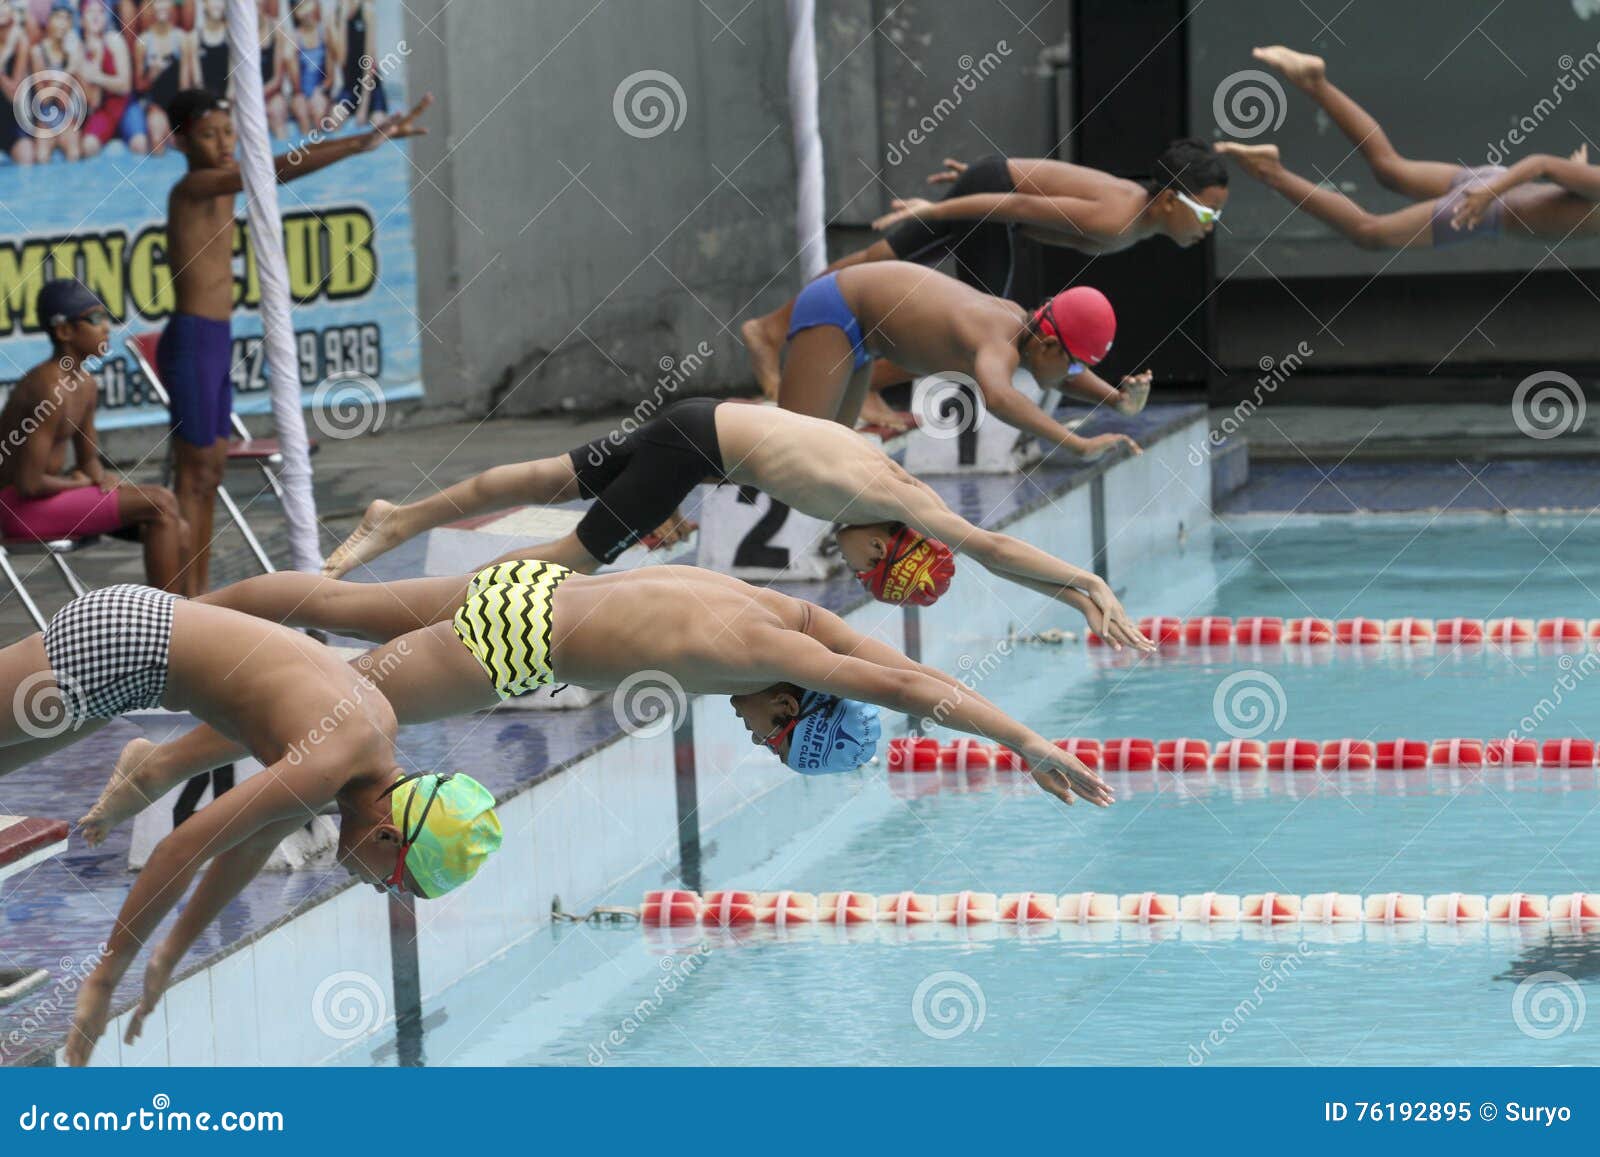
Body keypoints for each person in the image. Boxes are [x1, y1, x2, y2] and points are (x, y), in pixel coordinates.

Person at [0, 583, 498, 1065]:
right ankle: (147, 769)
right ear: (387, 835)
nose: (377, 888)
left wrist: (168, 956)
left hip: (137, 656)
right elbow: (180, 849)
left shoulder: (366, 749)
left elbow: (249, 848)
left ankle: (146, 768)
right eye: (393, 881)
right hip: (120, 644)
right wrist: (105, 980)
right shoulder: (328, 765)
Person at [317, 398, 1152, 649]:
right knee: (572, 560)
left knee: (553, 474)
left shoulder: (878, 482)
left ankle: (399, 517)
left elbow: (765, 438)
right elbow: (992, 544)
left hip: (696, 427)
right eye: (870, 569)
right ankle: (418, 610)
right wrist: (1078, 581)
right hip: (693, 452)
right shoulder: (904, 504)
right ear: (894, 546)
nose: (853, 565)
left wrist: (670, 500)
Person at [157, 85, 430, 592]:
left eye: (228, 134)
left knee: (211, 478)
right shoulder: (193, 188)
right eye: (208, 135)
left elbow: (259, 170)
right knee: (192, 480)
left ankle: (198, 594)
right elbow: (268, 170)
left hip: (215, 343)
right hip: (193, 342)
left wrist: (362, 141)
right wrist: (359, 143)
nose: (222, 144)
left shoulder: (220, 183)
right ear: (180, 141)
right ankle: (177, 602)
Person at [741, 141, 1228, 397]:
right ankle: (813, 356)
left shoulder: (1133, 214)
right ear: (1167, 201)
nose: (1211, 226)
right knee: (977, 338)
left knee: (883, 261)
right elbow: (1014, 201)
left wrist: (974, 180)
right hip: (993, 204)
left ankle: (795, 341)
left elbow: (1027, 184)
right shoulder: (1116, 220)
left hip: (991, 190)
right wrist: (933, 209)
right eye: (1207, 214)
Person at [1219, 46, 1600, 250]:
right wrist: (1487, 195)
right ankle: (1272, 171)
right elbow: (1542, 163)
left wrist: (1575, 177)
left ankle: (1316, 83)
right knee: (1371, 233)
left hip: (1493, 188)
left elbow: (1558, 179)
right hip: (1486, 206)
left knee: (1389, 168)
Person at [776, 261, 1145, 460]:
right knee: (790, 449)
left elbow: (1061, 376)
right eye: (1078, 363)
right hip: (837, 311)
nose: (1077, 374)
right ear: (1049, 346)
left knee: (830, 453)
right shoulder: (995, 340)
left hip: (865, 336)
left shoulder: (1024, 331)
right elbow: (999, 398)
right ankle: (717, 453)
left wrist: (1118, 400)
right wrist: (1074, 443)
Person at [0, 281, 189, 592]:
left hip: (48, 499)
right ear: (64, 332)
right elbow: (28, 483)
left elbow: (89, 462)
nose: (106, 328)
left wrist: (103, 479)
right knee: (161, 500)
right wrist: (83, 484)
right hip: (17, 509)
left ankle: (189, 617)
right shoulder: (48, 388)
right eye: (95, 318)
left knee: (175, 524)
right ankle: (174, 624)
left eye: (107, 318)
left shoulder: (84, 384)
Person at [123, 0, 183, 155]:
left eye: (165, 3)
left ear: (172, 8)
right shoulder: (142, 42)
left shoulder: (181, 39)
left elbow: (185, 85)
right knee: (157, 144)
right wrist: (152, 74)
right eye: (158, 4)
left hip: (177, 104)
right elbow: (138, 86)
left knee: (181, 144)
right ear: (151, 10)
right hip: (155, 105)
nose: (162, 7)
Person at [76, 0, 133, 158]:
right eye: (90, 12)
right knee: (88, 146)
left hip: (125, 104)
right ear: (81, 20)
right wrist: (98, 58)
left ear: (106, 18)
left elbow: (125, 87)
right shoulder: (80, 51)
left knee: (140, 144)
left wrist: (96, 77)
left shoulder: (115, 39)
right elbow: (94, 102)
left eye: (100, 12)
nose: (96, 16)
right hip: (102, 110)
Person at [27, 4, 84, 162]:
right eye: (58, 18)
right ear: (49, 21)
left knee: (74, 154)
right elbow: (44, 99)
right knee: (41, 157)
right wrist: (67, 71)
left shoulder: (74, 50)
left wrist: (74, 61)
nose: (62, 24)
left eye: (67, 19)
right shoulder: (37, 52)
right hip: (45, 116)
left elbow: (67, 99)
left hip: (68, 114)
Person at [332, 0, 386, 128]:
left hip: (370, 85)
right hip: (350, 86)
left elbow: (370, 61)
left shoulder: (367, 10)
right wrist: (343, 20)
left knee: (379, 123)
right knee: (334, 121)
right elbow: (341, 60)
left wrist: (364, 105)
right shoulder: (336, 16)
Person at [288, 0, 331, 136]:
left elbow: (330, 78)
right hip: (300, 92)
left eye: (307, 5)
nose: (306, 11)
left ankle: (317, 146)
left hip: (321, 90)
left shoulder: (324, 33)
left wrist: (319, 91)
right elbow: (295, 84)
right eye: (300, 8)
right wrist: (304, 97)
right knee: (301, 109)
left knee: (318, 108)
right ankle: (304, 150)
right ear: (295, 13)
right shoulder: (294, 37)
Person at [0, 3, 35, 165]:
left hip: (11, 117)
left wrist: (7, 52)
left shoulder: (21, 41)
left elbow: (14, 95)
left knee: (27, 158)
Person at [185, 0, 226, 97]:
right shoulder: (194, 37)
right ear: (204, 4)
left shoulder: (232, 35)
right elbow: (197, 80)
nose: (218, 4)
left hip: (228, 98)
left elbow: (233, 79)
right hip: (204, 97)